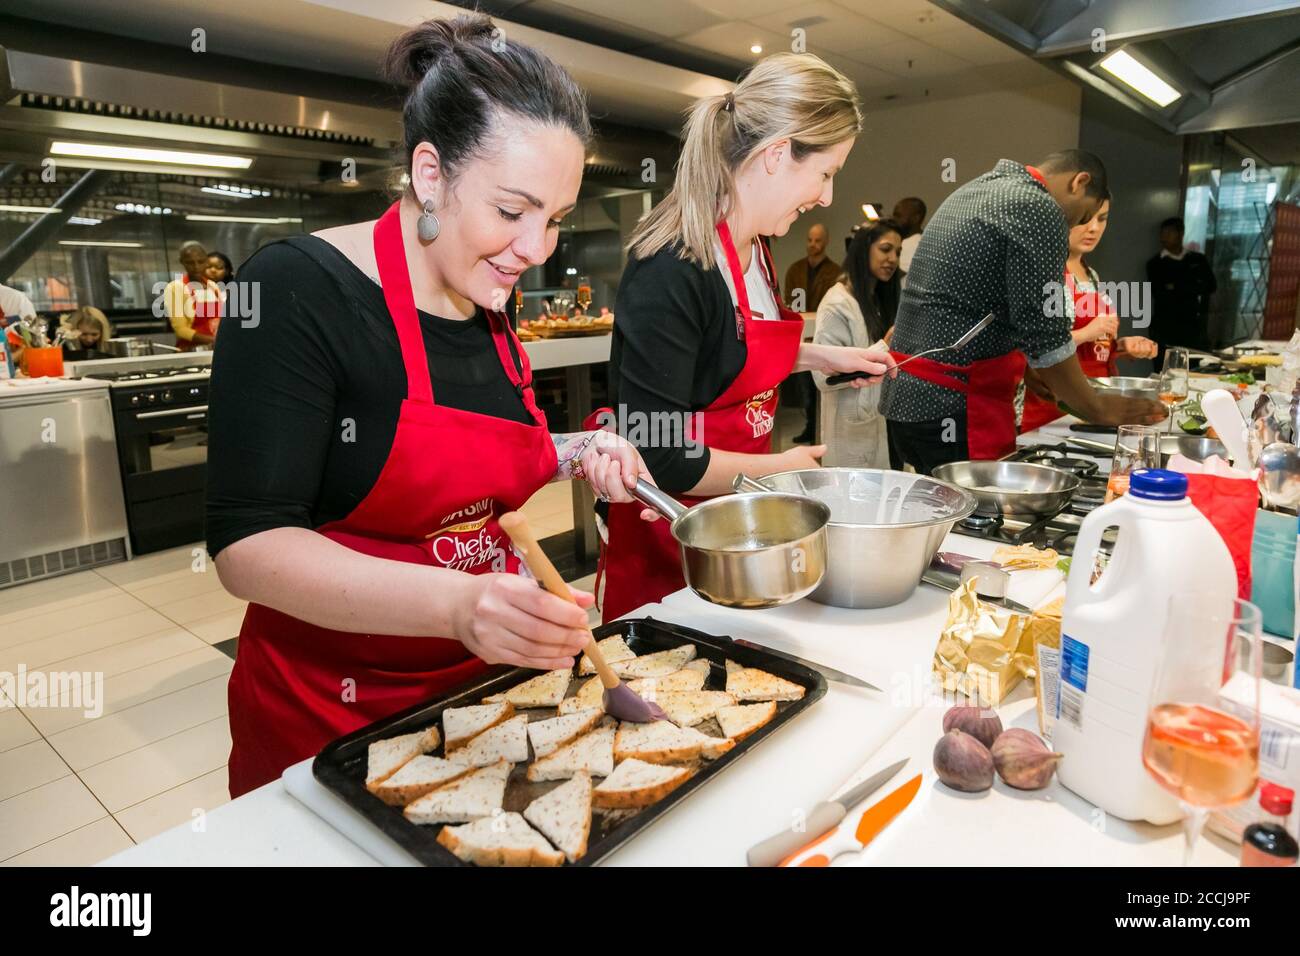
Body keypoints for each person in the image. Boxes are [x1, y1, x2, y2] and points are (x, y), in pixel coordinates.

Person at [207, 14, 655, 797]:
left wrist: (577, 454)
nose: (536, 248)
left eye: (554, 220)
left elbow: (479, 466)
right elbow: (248, 546)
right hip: (329, 725)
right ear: (429, 174)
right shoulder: (293, 290)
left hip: (481, 705)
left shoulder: (486, 291)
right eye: (513, 211)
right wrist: (458, 604)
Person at [597, 52, 891, 623]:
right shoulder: (673, 265)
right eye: (826, 173)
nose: (827, 198)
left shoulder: (757, 248)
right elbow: (658, 454)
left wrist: (823, 356)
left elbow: (727, 353)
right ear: (778, 153)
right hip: (675, 536)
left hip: (742, 522)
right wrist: (785, 473)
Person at [880, 150, 1165, 475]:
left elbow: (982, 302)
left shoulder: (980, 188)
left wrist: (1032, 370)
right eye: (1085, 214)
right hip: (955, 402)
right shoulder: (1039, 207)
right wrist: (1096, 406)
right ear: (1079, 182)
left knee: (940, 516)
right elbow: (1045, 331)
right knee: (972, 518)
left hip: (907, 399)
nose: (1077, 224)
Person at [1020, 193, 1158, 432]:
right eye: (1085, 219)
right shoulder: (1044, 273)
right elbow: (1032, 345)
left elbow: (1090, 344)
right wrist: (1088, 331)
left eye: (1102, 219)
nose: (1093, 228)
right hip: (1054, 403)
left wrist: (1120, 346)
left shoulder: (1090, 274)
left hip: (1093, 399)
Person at [812, 219, 901, 468]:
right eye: (885, 249)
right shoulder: (837, 305)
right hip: (847, 434)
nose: (893, 258)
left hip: (877, 425)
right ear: (864, 250)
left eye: (897, 252)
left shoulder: (875, 300)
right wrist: (883, 347)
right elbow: (823, 378)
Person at [784, 222, 840, 444]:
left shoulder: (835, 272)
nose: (812, 244)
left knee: (821, 384)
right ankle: (809, 426)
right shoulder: (795, 270)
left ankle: (819, 430)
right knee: (804, 386)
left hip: (824, 334)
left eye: (817, 240)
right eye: (810, 239)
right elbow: (789, 302)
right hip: (801, 334)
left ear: (825, 242)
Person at [1146, 216, 1216, 355]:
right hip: (1165, 325)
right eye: (1162, 234)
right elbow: (1160, 293)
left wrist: (1176, 286)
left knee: (1193, 364)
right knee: (1165, 367)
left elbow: (1211, 286)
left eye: (1168, 233)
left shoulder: (1197, 260)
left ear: (1180, 234)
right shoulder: (1156, 263)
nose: (1163, 237)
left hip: (1192, 324)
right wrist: (1191, 286)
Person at [164, 240, 223, 350]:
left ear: (206, 261)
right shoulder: (175, 288)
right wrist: (213, 340)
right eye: (190, 263)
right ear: (182, 262)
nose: (196, 267)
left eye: (200, 262)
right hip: (191, 351)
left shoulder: (213, 286)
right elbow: (181, 330)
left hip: (215, 349)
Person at [892, 196, 926, 286]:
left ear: (916, 218)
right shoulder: (903, 241)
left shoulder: (917, 244)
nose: (893, 219)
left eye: (898, 216)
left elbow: (892, 275)